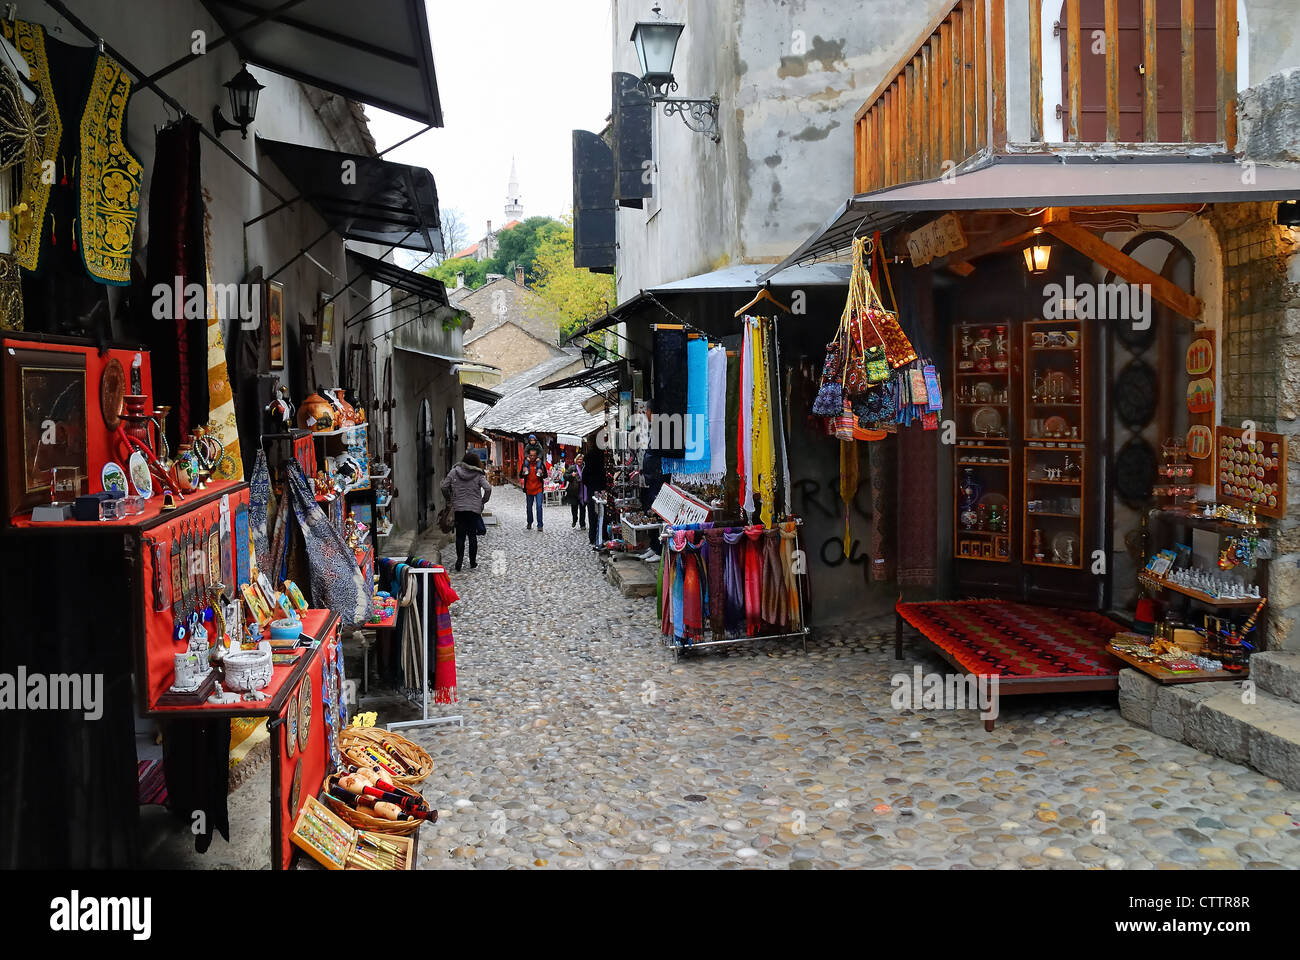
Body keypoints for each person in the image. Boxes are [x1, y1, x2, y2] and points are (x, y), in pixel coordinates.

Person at [440, 451, 491, 571]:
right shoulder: (479, 474)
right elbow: (488, 488)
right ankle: (472, 562)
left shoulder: (454, 472)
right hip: (473, 509)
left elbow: (444, 487)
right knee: (472, 536)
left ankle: (459, 560)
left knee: (460, 536)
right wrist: (483, 501)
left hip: (459, 508)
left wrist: (449, 500)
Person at [581, 446, 606, 545]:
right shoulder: (601, 465)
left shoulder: (588, 465)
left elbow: (584, 479)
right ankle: (602, 536)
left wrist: (591, 486)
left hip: (591, 491)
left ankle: (592, 537)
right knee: (602, 514)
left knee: (592, 515)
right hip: (601, 490)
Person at [520, 450, 547, 531]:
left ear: (536, 456)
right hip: (529, 489)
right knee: (529, 507)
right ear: (528, 455)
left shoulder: (540, 464)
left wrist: (541, 474)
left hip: (538, 488)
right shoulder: (525, 464)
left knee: (539, 506)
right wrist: (523, 473)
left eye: (534, 455)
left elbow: (545, 475)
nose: (532, 457)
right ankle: (529, 522)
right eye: (531, 455)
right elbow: (520, 475)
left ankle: (540, 525)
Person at [562, 453, 585, 528]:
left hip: (583, 491)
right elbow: (565, 476)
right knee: (574, 508)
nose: (580, 461)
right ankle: (574, 520)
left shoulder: (584, 468)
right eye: (578, 459)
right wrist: (571, 475)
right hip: (573, 491)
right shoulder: (572, 467)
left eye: (581, 459)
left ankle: (582, 524)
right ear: (576, 460)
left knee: (583, 509)